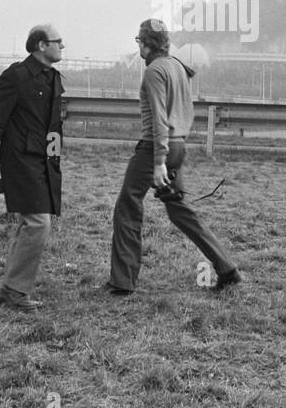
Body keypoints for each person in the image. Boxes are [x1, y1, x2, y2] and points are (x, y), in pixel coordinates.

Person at [102, 18, 240, 296]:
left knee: (127, 208)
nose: (138, 46)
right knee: (180, 211)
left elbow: (159, 119)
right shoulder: (177, 67)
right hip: (179, 145)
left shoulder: (154, 71)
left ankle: (122, 282)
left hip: (155, 147)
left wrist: (158, 162)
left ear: (146, 44)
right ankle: (227, 269)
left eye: (139, 41)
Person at [0, 23, 65, 311]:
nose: (61, 46)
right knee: (38, 224)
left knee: (30, 224)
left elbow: (54, 127)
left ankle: (12, 287)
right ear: (40, 46)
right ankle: (14, 291)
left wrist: (55, 160)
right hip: (20, 161)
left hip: (45, 163)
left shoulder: (55, 79)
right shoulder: (16, 76)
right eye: (57, 42)